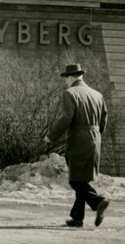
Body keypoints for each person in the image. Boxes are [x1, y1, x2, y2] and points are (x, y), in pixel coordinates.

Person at [44, 62, 110, 227]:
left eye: (66, 78)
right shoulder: (97, 94)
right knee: (82, 178)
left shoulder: (70, 93)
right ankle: (77, 217)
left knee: (76, 180)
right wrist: (95, 134)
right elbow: (104, 120)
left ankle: (98, 201)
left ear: (70, 77)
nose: (65, 82)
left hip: (78, 139)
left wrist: (51, 136)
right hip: (95, 139)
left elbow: (67, 118)